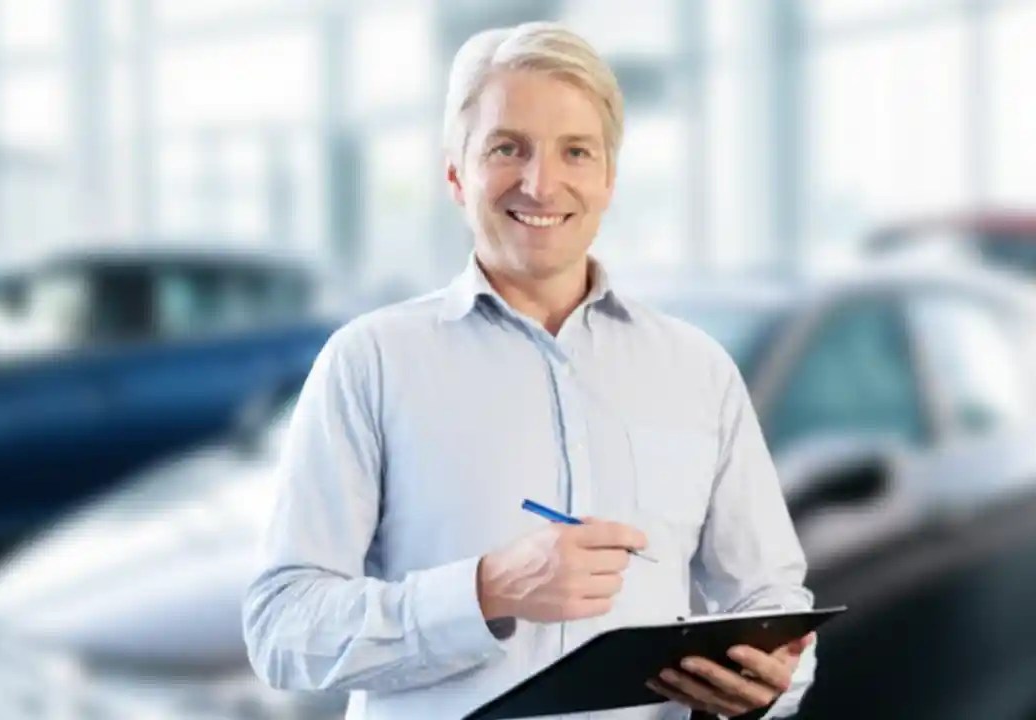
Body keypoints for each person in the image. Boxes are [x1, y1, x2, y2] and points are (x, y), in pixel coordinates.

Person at [242, 21, 817, 719]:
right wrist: (485, 591)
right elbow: (281, 628)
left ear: (607, 178)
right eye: (507, 148)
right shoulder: (370, 362)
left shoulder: (698, 372)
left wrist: (770, 684)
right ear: (456, 174)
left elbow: (773, 603)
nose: (542, 184)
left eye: (575, 152)